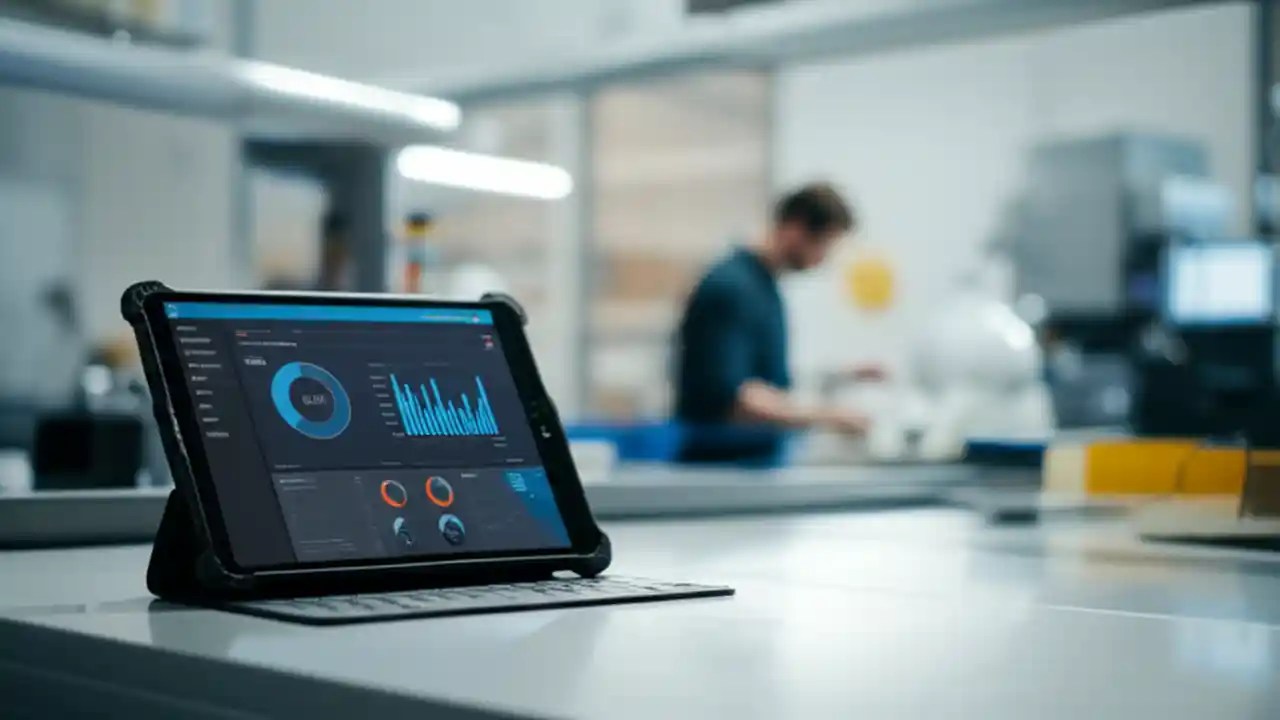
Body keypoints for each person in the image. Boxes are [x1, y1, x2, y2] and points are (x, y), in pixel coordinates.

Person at [673, 182, 880, 464]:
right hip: (720, 467)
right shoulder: (731, 287)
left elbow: (771, 380)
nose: (823, 260)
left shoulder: (764, 287)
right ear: (795, 228)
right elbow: (737, 400)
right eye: (823, 246)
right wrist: (831, 416)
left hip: (755, 463)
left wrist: (843, 375)